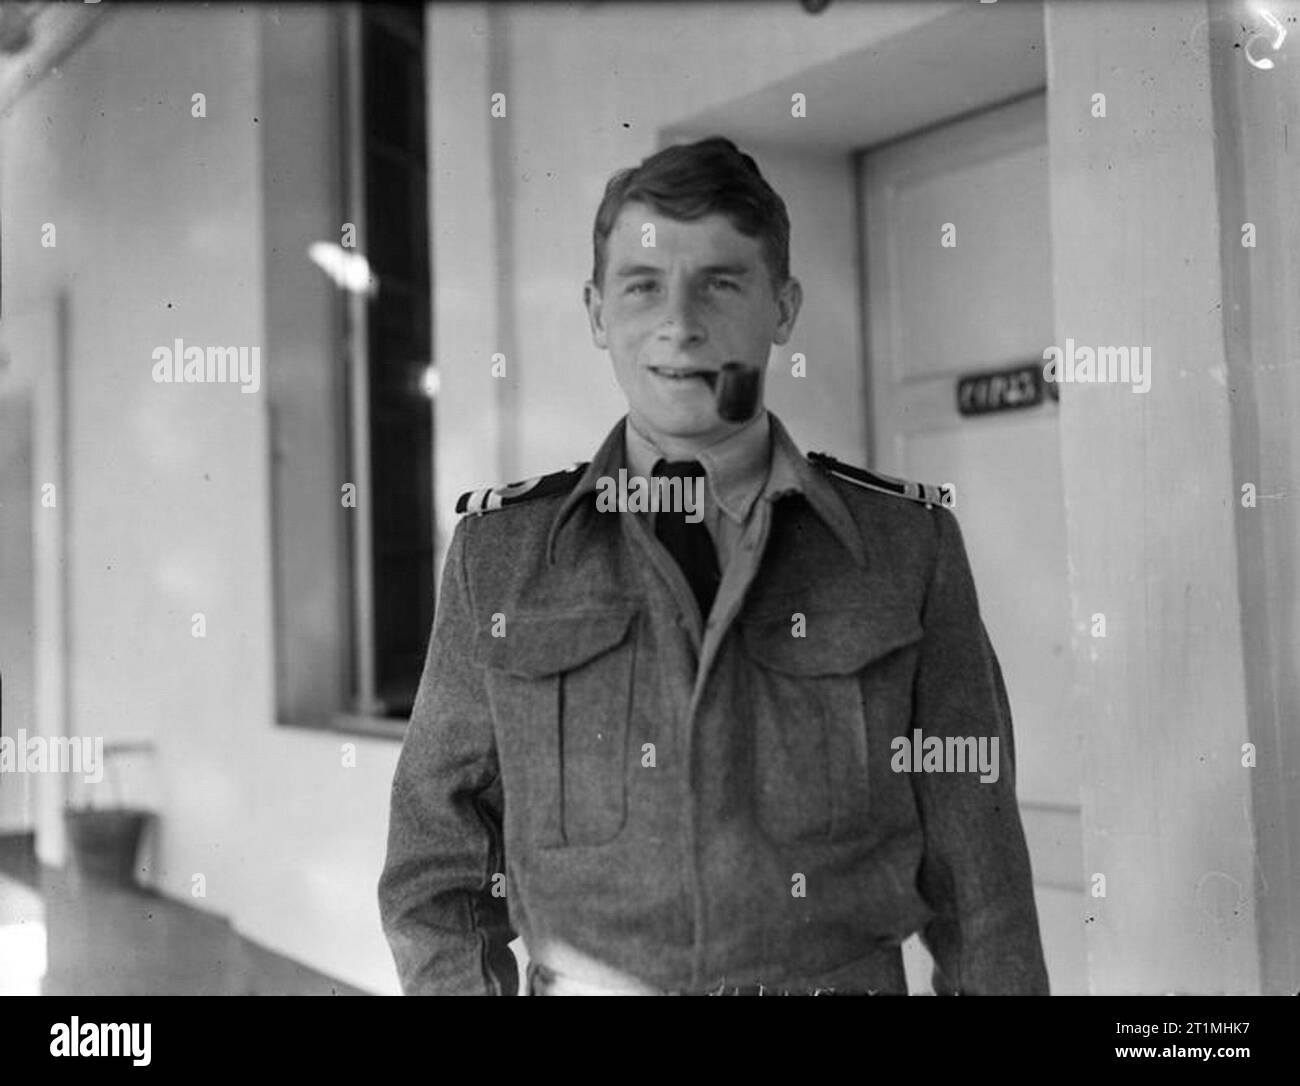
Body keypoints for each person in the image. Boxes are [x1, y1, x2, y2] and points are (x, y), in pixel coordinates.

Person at [378, 136, 1049, 996]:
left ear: (783, 307)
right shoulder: (503, 559)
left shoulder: (904, 548)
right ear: (595, 312)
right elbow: (436, 870)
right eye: (644, 285)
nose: (680, 323)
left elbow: (982, 881)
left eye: (721, 283)